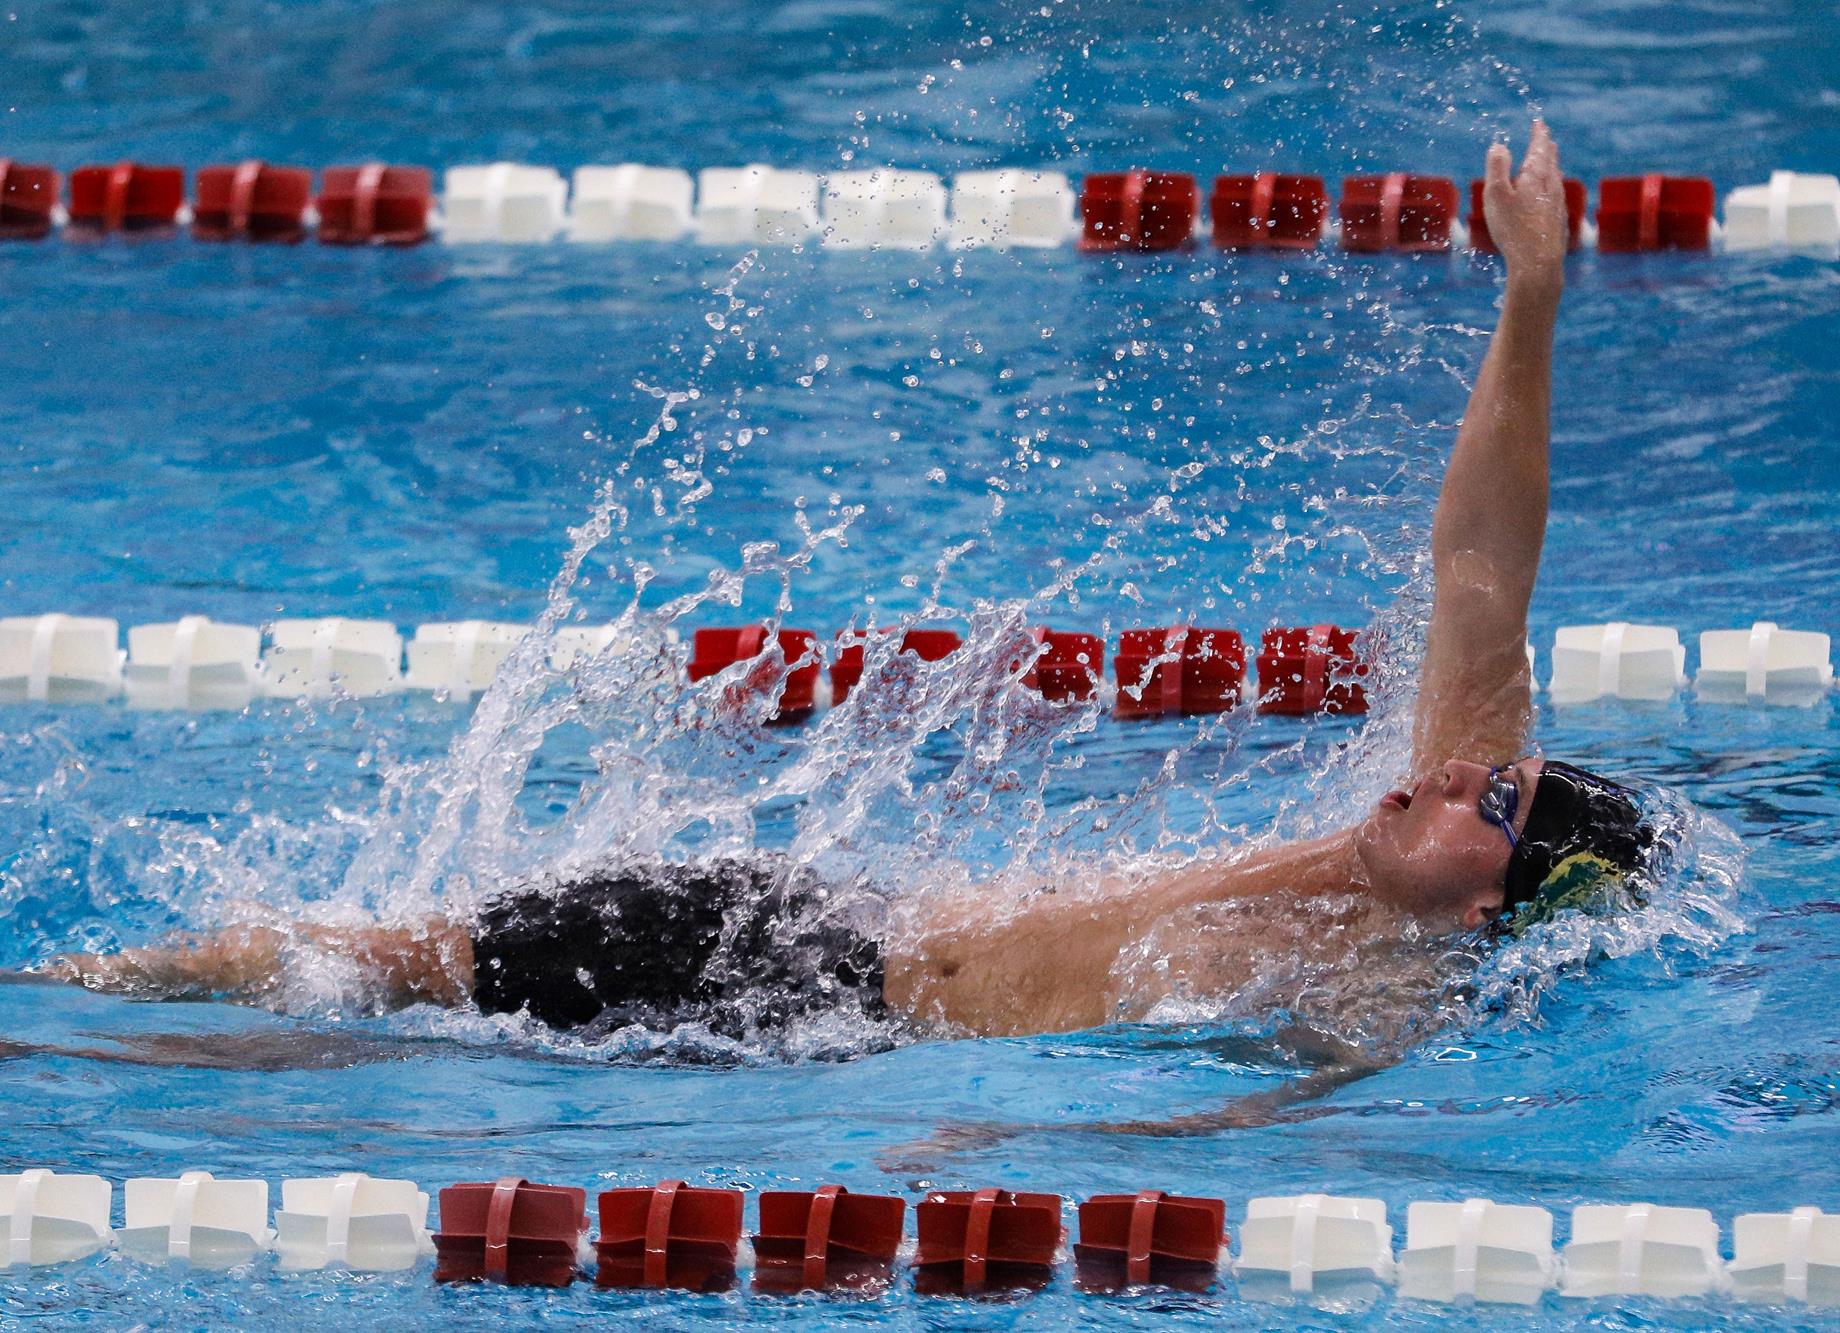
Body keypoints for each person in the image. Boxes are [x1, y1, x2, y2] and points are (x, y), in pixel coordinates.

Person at [41, 120, 1655, 1044]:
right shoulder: (1440, 807)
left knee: (372, 1015)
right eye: (1489, 768)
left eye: (1488, 808)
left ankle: (65, 1030)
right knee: (382, 968)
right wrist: (1534, 299)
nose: (1451, 773)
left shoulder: (1385, 986)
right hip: (816, 945)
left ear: (1492, 905)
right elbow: (1477, 563)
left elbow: (1239, 1138)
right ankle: (57, 1009)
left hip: (828, 1042)